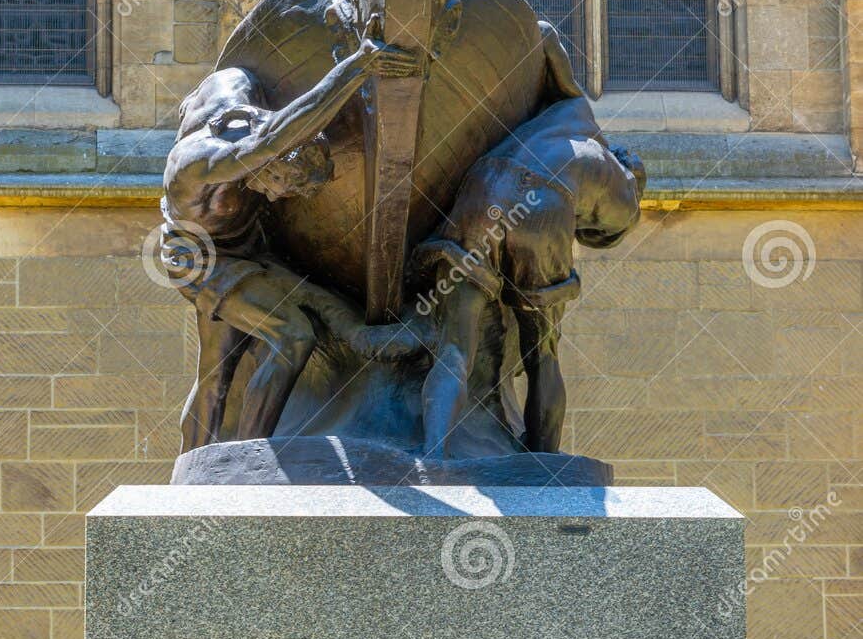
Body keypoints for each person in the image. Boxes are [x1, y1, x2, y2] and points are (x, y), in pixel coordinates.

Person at [161, 33, 420, 451]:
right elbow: (276, 136)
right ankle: (246, 460)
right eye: (281, 184)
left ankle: (198, 462)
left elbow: (270, 124)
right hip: (201, 259)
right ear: (267, 157)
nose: (278, 197)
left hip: (247, 251)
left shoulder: (238, 89)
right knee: (292, 336)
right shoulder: (205, 163)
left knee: (216, 370)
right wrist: (357, 66)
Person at [412, 79, 646, 460]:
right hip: (544, 205)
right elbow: (603, 235)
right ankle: (542, 462)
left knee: (454, 348)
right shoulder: (625, 188)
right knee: (542, 355)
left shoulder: (573, 114)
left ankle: (432, 457)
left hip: (485, 184)